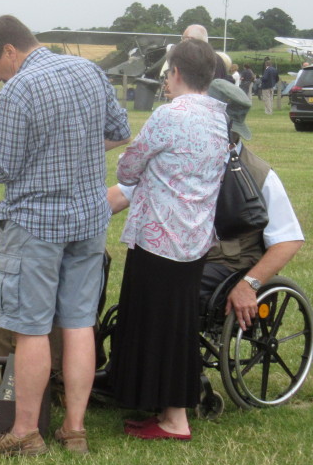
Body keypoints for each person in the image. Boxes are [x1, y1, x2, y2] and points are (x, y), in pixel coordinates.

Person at [0, 15, 130, 455]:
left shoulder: (19, 89)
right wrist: (74, 149)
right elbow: (118, 132)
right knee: (78, 324)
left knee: (30, 328)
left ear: (10, 51)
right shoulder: (88, 70)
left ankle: (25, 433)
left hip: (35, 223)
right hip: (89, 219)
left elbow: (3, 168)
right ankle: (75, 430)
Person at [108, 79, 304, 364]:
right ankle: (125, 371)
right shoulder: (176, 154)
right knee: (145, 283)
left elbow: (288, 239)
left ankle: (171, 380)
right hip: (179, 253)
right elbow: (119, 195)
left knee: (170, 291)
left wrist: (249, 284)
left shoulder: (259, 175)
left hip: (227, 264)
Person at [106, 41, 229, 441]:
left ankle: (175, 419)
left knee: (156, 325)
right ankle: (165, 408)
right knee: (176, 324)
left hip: (160, 235)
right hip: (194, 237)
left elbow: (130, 163)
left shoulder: (168, 115)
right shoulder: (217, 116)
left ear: (175, 72)